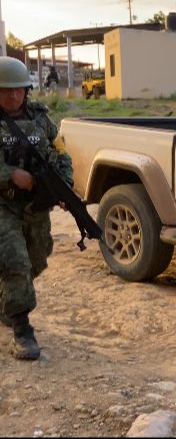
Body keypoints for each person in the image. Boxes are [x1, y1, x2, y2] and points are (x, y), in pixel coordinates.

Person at [0, 56, 73, 360]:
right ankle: (22, 331)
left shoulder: (42, 119)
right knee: (16, 262)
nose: (12, 95)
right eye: (5, 90)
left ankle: (7, 300)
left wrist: (63, 187)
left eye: (18, 90)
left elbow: (61, 152)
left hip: (35, 206)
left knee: (35, 262)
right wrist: (8, 174)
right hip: (3, 204)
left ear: (27, 91)